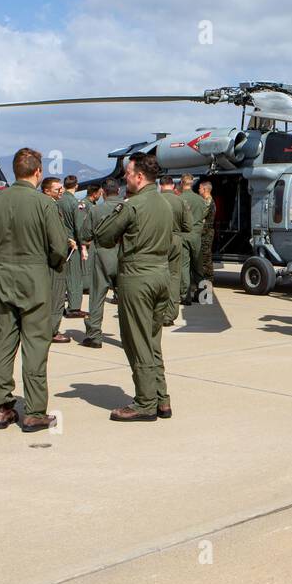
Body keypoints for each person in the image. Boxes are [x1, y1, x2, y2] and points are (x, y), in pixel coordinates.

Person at [0, 148, 69, 432]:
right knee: (35, 345)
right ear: (38, 172)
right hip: (35, 281)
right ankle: (33, 412)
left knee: (3, 343)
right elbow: (58, 247)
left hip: (3, 280)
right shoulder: (44, 204)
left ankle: (2, 408)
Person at [94, 153, 174, 421]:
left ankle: (145, 402)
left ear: (139, 177)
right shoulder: (165, 204)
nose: (125, 178)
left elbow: (103, 236)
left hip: (137, 277)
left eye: (127, 173)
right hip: (161, 275)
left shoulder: (132, 205)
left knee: (136, 340)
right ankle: (161, 398)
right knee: (152, 340)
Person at [80, 181, 119, 348]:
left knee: (97, 296)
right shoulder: (130, 209)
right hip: (124, 256)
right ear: (118, 191)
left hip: (101, 255)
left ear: (103, 192)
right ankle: (131, 336)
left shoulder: (96, 210)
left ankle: (94, 335)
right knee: (128, 300)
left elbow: (85, 235)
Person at [41, 177, 76, 342]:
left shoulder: (46, 204)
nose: (61, 191)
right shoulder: (50, 206)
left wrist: (68, 239)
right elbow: (54, 236)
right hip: (55, 260)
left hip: (46, 258)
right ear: (47, 191)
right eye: (57, 189)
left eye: (61, 188)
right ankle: (52, 330)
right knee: (57, 296)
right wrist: (61, 256)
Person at [158, 176, 192, 326]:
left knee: (157, 274)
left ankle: (157, 310)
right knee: (174, 276)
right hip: (176, 240)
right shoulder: (180, 201)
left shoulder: (156, 201)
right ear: (172, 186)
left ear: (160, 186)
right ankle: (170, 314)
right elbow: (188, 226)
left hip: (158, 240)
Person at [60, 175, 89, 319]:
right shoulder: (75, 203)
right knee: (75, 276)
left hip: (61, 241)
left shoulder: (59, 201)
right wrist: (83, 244)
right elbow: (79, 226)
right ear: (76, 186)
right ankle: (74, 307)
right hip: (73, 244)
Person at [178, 173, 209, 303]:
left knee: (184, 266)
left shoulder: (178, 199)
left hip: (183, 235)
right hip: (196, 235)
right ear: (192, 183)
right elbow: (204, 215)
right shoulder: (200, 200)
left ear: (181, 183)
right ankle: (203, 296)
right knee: (198, 266)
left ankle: (186, 296)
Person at [198, 178, 217, 281]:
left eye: (200, 188)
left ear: (205, 189)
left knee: (205, 258)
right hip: (207, 232)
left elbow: (200, 216)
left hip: (206, 233)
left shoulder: (208, 201)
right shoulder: (209, 200)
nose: (198, 190)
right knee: (206, 257)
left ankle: (207, 280)